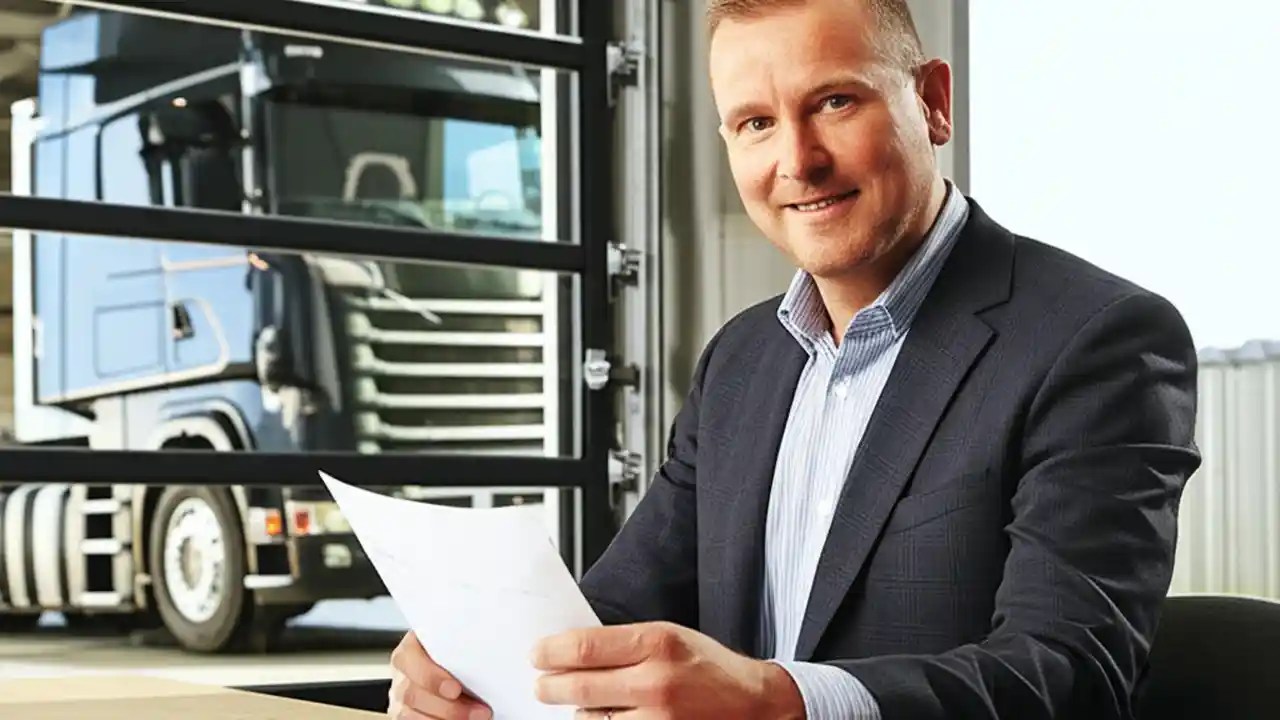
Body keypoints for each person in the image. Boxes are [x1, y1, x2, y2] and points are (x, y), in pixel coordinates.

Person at [386, 0, 1201, 717]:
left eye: (835, 101)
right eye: (755, 123)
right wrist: (474, 666)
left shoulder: (1098, 339)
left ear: (934, 102)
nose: (797, 161)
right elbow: (608, 615)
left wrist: (780, 703)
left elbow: (1069, 677)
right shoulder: (741, 360)